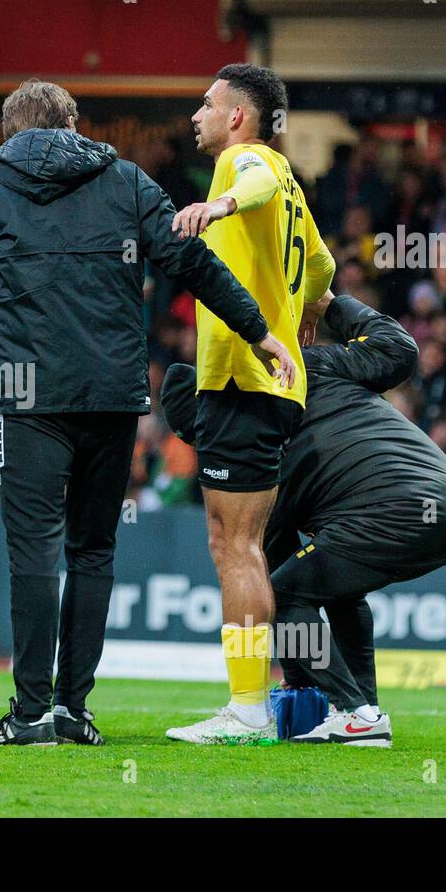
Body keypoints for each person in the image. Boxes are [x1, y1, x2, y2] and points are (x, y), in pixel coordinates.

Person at [0, 79, 294, 746]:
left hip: (26, 397)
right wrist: (257, 328)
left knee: (33, 552)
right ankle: (73, 711)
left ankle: (29, 715)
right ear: (75, 123)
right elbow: (188, 259)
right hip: (112, 395)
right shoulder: (128, 183)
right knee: (93, 551)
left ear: (9, 131)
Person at [161, 292, 446, 747]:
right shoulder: (305, 364)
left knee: (284, 596)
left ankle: (356, 711)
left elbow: (268, 567)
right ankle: (362, 716)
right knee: (336, 590)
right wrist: (329, 303)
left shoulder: (249, 450)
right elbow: (400, 349)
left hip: (396, 507)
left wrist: (297, 679)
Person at [163, 64, 333, 745]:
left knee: (237, 548)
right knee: (240, 544)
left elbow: (255, 183)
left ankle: (247, 709)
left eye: (206, 105)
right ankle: (250, 703)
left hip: (244, 378)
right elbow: (320, 266)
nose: (196, 116)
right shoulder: (293, 184)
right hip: (274, 387)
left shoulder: (251, 162)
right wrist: (309, 308)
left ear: (237, 115)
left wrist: (223, 205)